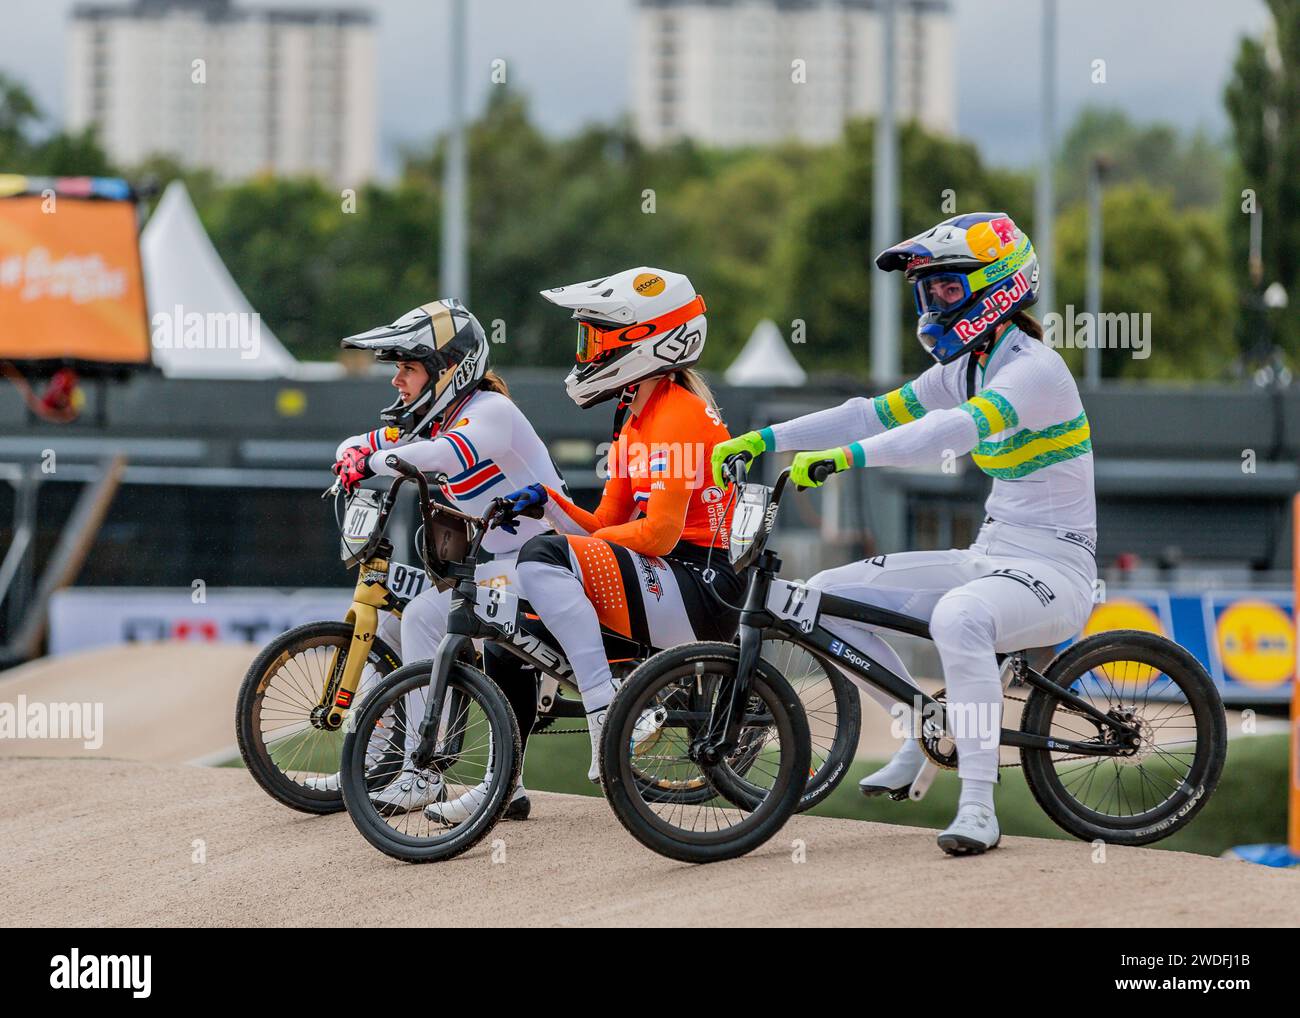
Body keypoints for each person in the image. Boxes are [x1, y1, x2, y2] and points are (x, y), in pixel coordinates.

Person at [712, 213, 1096, 856]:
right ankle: (923, 725)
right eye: (929, 291)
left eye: (948, 288)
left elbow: (951, 434)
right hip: (995, 554)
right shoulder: (967, 367)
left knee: (960, 618)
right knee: (822, 598)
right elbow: (869, 411)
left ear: (997, 287)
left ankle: (978, 805)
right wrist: (766, 440)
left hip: (1058, 572)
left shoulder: (1035, 370)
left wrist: (848, 459)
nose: (934, 302)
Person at [327, 298, 568, 821]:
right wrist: (353, 452)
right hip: (499, 567)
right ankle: (374, 763)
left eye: (408, 368)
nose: (396, 381)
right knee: (392, 627)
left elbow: (444, 456)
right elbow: (372, 440)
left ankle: (426, 771)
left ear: (450, 372)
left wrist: (367, 461)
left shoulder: (490, 413)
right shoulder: (440, 416)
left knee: (420, 618)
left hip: (547, 562)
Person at [505, 267, 743, 780]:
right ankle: (504, 783)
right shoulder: (633, 418)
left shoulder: (679, 415)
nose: (586, 351)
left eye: (594, 337)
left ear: (643, 338)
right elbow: (607, 523)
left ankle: (606, 710)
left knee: (543, 558)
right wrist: (547, 502)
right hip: (667, 577)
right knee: (515, 621)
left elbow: (658, 535)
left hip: (703, 584)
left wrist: (570, 546)